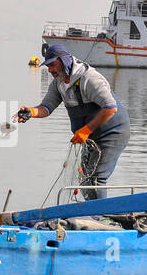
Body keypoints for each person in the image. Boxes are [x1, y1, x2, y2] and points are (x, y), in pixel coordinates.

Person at [15, 44, 130, 199]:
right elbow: (46, 107)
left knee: (96, 179)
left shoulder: (89, 79)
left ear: (64, 61)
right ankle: (91, 210)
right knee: (84, 178)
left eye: (52, 65)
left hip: (113, 131)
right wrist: (30, 112)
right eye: (47, 66)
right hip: (90, 137)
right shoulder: (58, 83)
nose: (50, 70)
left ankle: (100, 213)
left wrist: (86, 130)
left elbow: (110, 108)